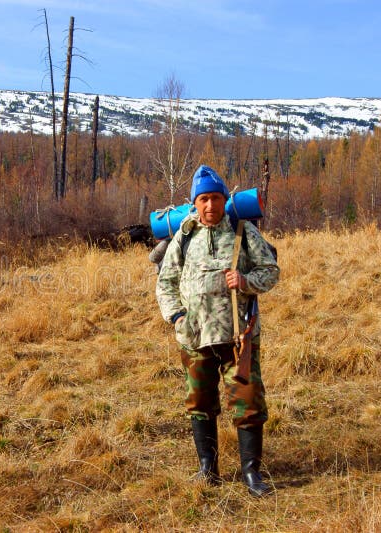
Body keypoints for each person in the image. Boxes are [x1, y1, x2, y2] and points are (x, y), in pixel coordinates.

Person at [155, 165, 279, 496]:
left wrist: (246, 281)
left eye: (216, 199)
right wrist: (177, 318)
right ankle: (207, 469)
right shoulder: (183, 235)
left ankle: (252, 473)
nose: (210, 206)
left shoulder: (243, 232)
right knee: (200, 402)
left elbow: (271, 271)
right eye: (204, 199)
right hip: (195, 338)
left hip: (239, 337)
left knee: (249, 402)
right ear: (195, 203)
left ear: (225, 200)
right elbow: (165, 282)